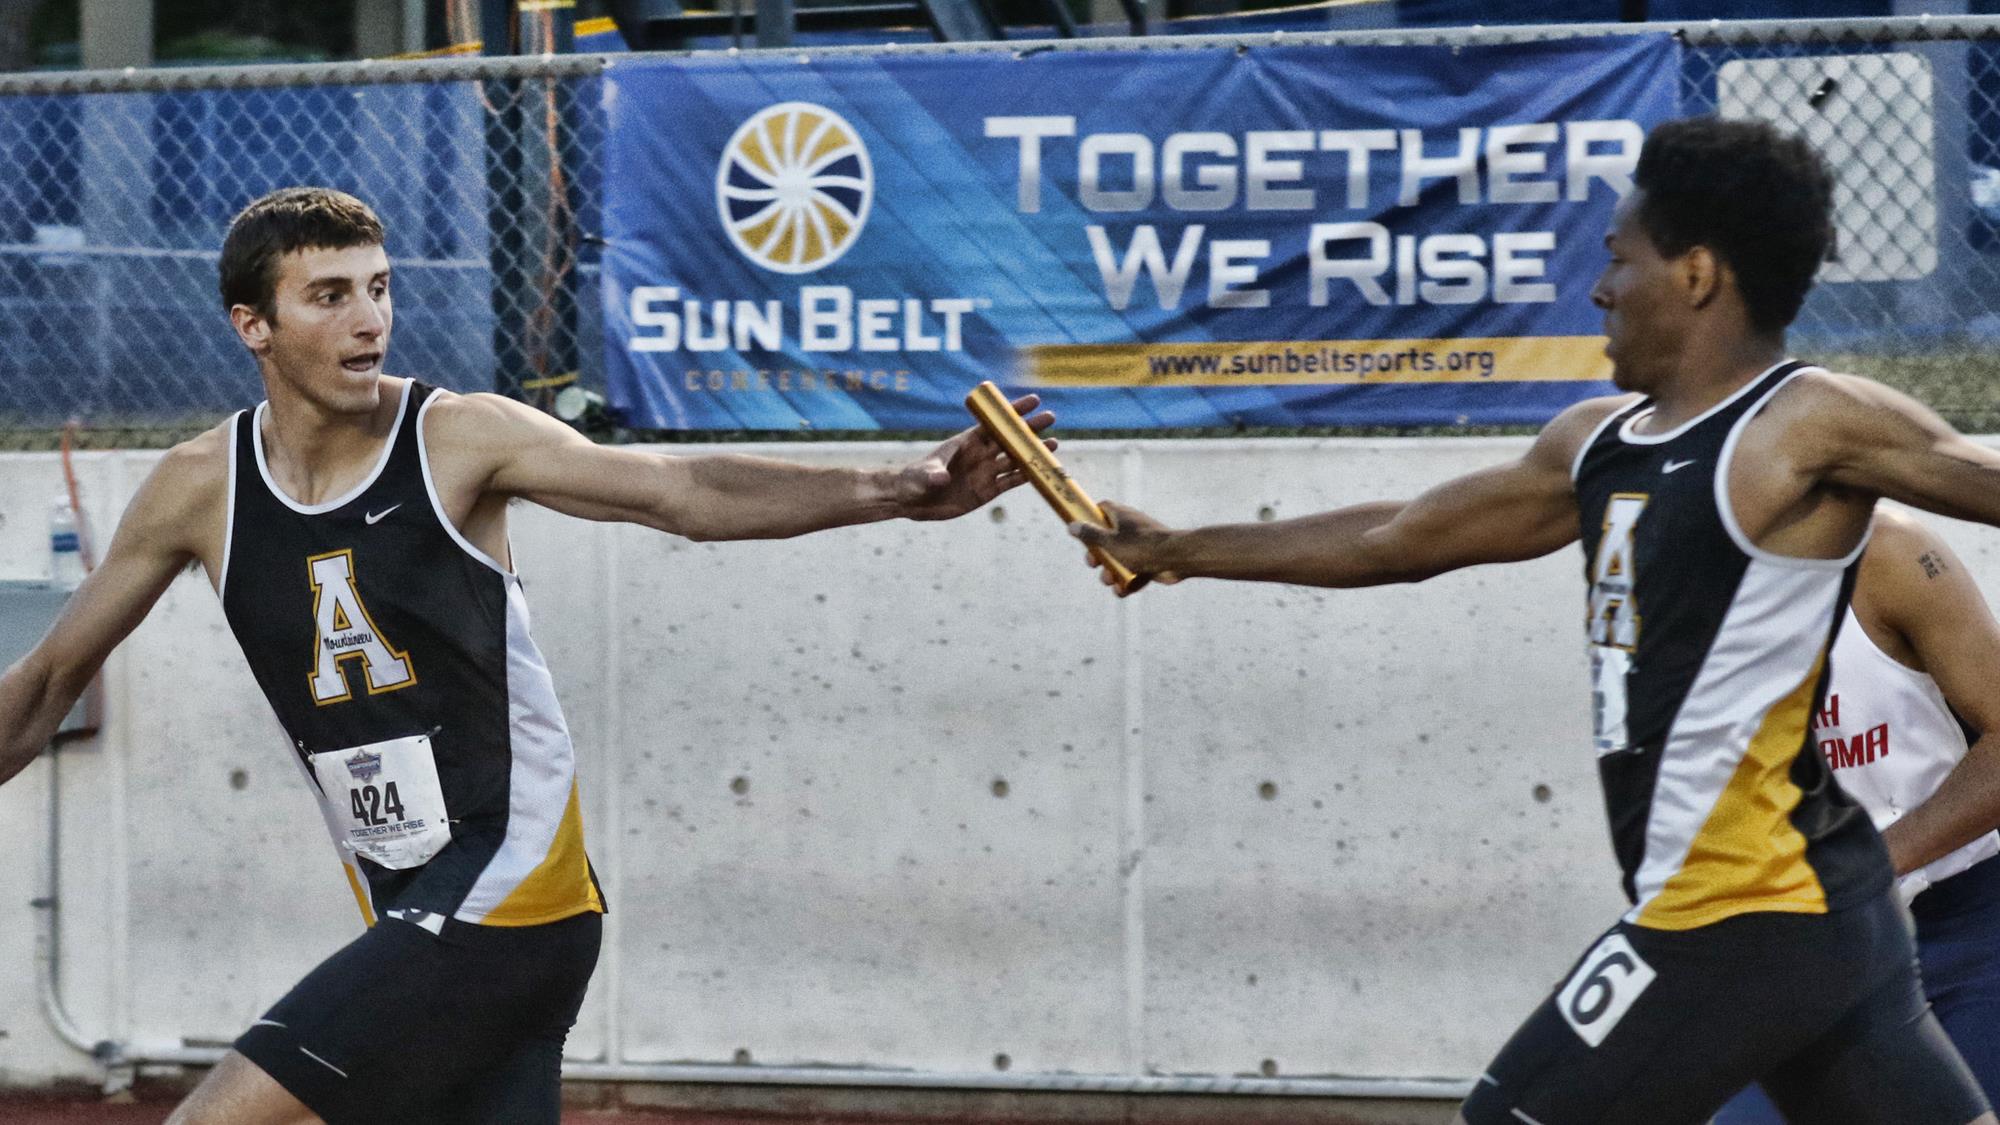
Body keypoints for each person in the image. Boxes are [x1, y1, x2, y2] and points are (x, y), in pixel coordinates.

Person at [0, 187, 1051, 1125]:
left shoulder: (460, 438)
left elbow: (676, 492)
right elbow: (45, 685)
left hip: (511, 891)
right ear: (253, 326)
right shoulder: (200, 487)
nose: (369, 320)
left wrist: (898, 490)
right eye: (327, 297)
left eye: (378, 287)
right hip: (412, 899)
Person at [1073, 116, 1999, 1124]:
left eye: (1616, 261)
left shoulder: (1805, 424)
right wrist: (1174, 551)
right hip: (1819, 917)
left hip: (1745, 913)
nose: (1597, 291)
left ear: (1694, 275)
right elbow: (1395, 537)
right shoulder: (1593, 446)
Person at [1714, 507, 2000, 1121]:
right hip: (1785, 937)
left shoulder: (1891, 556)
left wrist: (1871, 864)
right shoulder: (1662, 576)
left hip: (1963, 922)